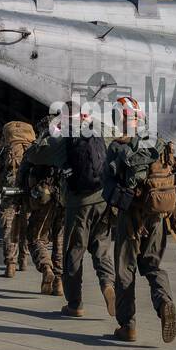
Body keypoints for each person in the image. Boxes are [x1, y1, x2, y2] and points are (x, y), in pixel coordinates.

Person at [25, 102, 116, 317]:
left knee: (74, 253)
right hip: (103, 200)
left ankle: (75, 304)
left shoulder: (63, 138)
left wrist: (47, 132)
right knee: (102, 249)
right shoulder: (97, 131)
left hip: (78, 204)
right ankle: (108, 285)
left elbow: (33, 155)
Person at [102, 97, 176, 343]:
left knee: (125, 270)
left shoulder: (118, 147)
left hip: (130, 216)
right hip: (157, 215)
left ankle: (128, 326)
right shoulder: (159, 142)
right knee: (153, 266)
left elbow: (108, 184)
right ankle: (164, 301)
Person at [20, 117, 65, 296]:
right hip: (64, 197)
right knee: (60, 241)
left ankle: (46, 268)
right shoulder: (67, 144)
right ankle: (59, 283)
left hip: (43, 197)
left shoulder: (40, 146)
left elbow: (24, 170)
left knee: (36, 237)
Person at [0, 121, 35, 277]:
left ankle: (10, 265)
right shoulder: (33, 151)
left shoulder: (0, 152)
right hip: (28, 194)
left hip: (9, 193)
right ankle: (24, 261)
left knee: (9, 228)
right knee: (26, 227)